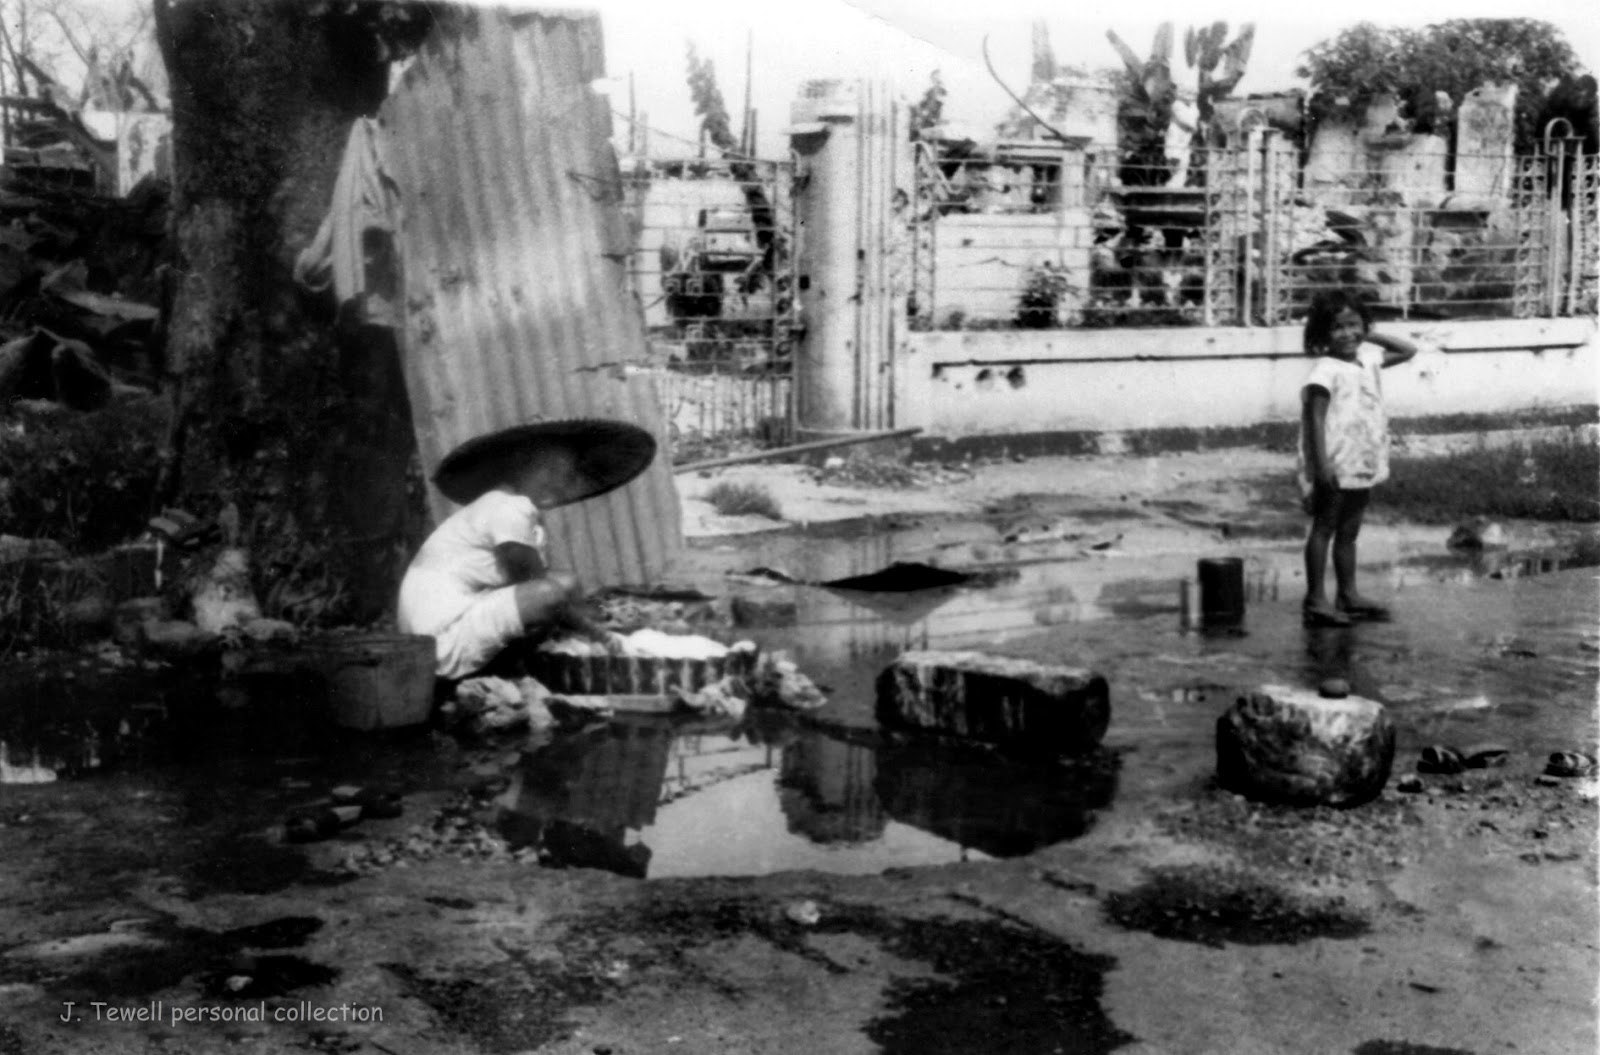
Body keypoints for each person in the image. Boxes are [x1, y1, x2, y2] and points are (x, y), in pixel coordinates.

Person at [397, 419, 657, 679]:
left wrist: (589, 623)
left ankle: (557, 651)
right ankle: (512, 670)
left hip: (447, 626)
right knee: (548, 594)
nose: (558, 485)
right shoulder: (507, 507)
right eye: (549, 471)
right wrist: (602, 636)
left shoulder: (505, 505)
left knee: (565, 582)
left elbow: (551, 583)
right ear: (519, 468)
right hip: (440, 643)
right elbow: (538, 587)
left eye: (564, 475)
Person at [1298, 290, 1418, 628]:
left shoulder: (1368, 360)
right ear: (1323, 335)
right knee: (1325, 527)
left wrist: (1370, 333)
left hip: (1363, 457)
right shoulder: (1324, 370)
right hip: (1336, 460)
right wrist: (1321, 465)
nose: (1348, 334)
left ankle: (1348, 594)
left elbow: (1408, 351)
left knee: (1349, 531)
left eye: (1354, 326)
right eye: (1338, 328)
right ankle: (1315, 599)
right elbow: (1315, 419)